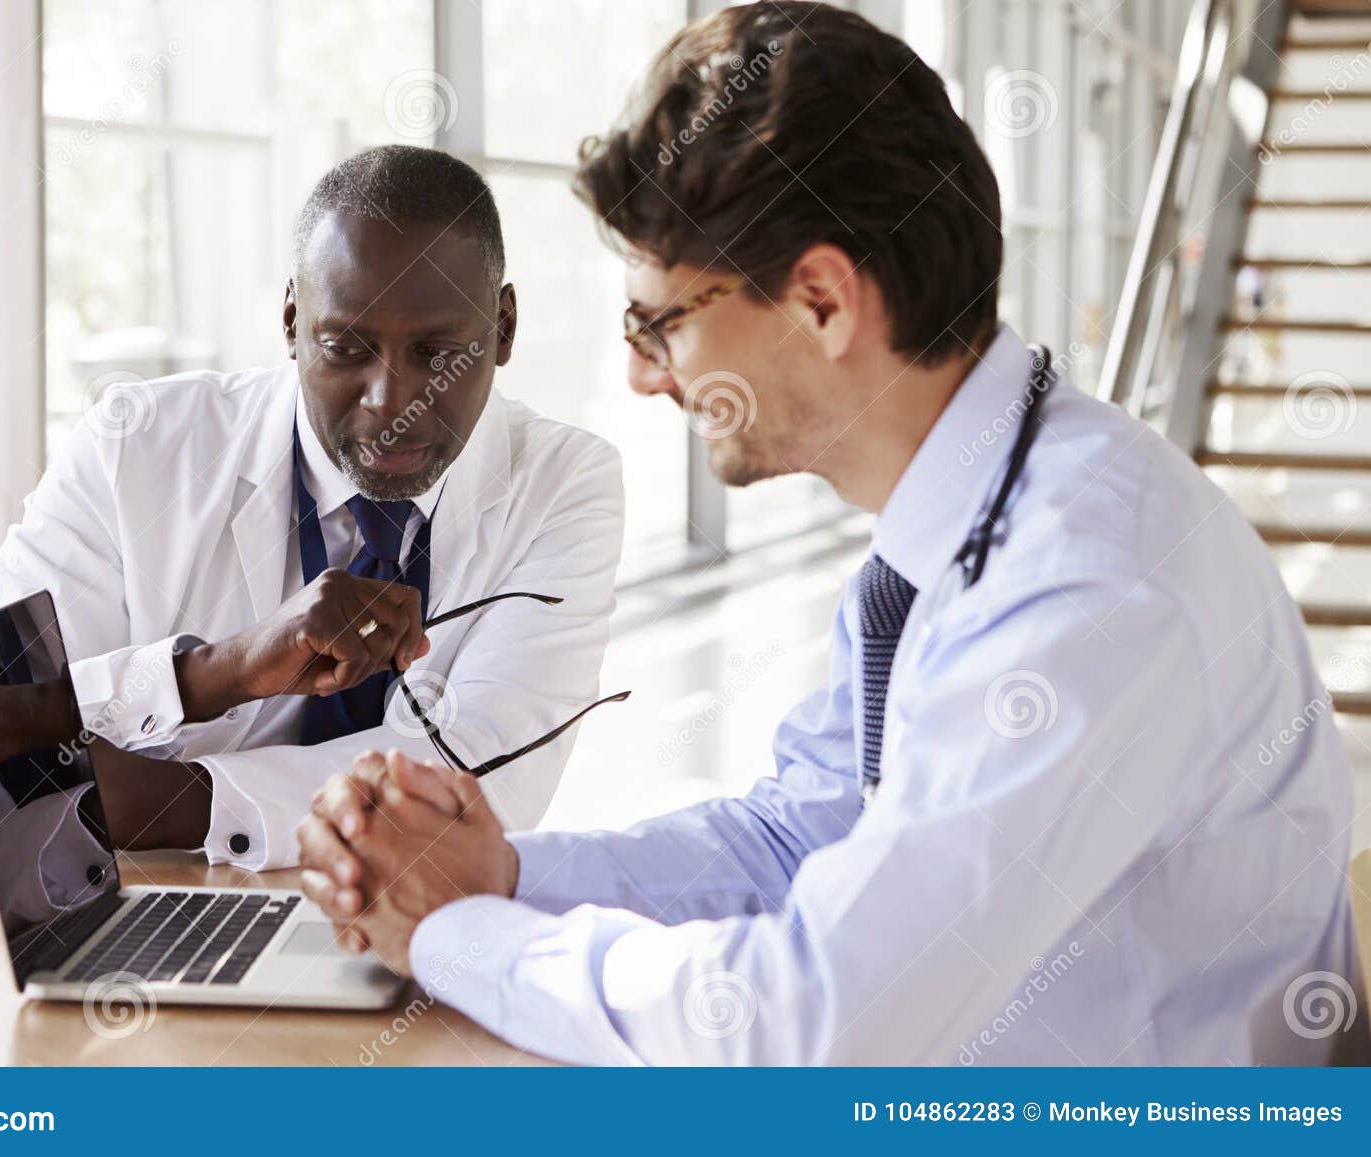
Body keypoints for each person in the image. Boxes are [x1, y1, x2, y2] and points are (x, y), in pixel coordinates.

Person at [295, 3, 1360, 1065]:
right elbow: (799, 832)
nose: (641, 373)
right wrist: (505, 874)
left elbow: (814, 1024)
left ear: (819, 301)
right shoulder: (955, 516)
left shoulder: (1090, 582)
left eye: (660, 322)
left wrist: (457, 931)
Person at [0, 145, 624, 871]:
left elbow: (481, 781)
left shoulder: (564, 483)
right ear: (291, 321)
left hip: (419, 939)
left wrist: (169, 798)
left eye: (438, 355)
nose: (391, 401)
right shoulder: (136, 447)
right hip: (147, 922)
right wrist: (217, 673)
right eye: (346, 348)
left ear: (501, 330)